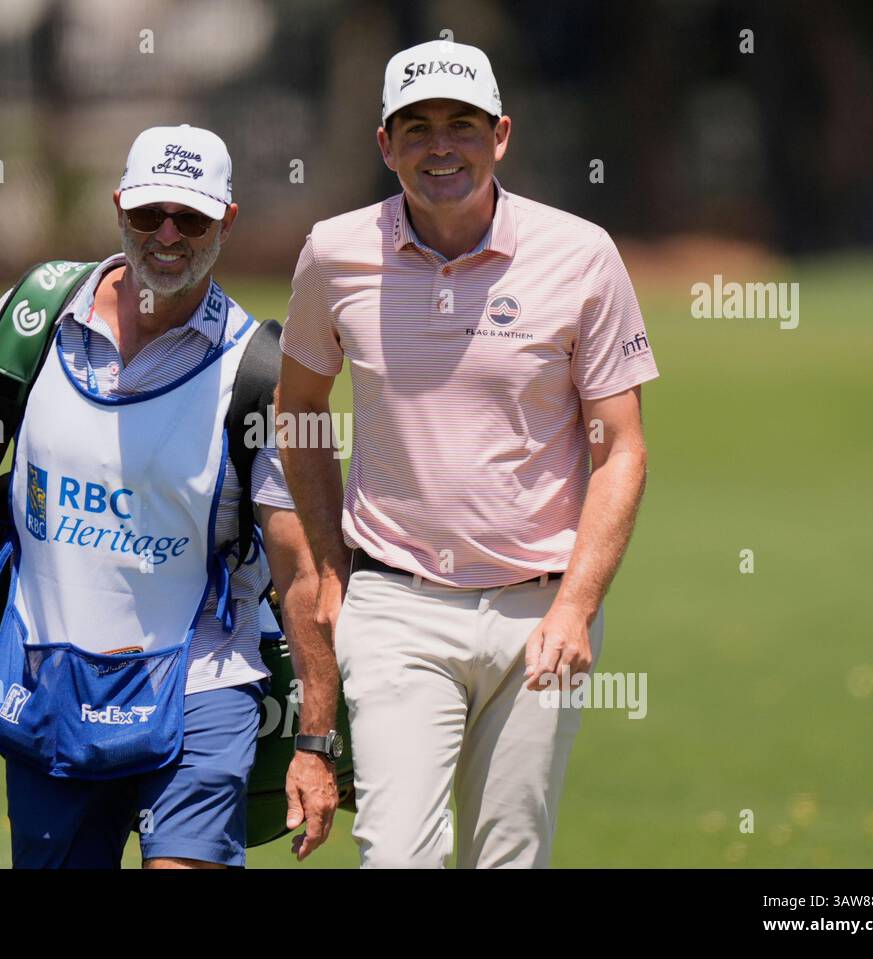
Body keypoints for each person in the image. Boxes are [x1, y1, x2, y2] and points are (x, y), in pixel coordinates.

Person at [0, 124, 340, 869]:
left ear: (226, 222)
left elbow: (302, 567)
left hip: (202, 683)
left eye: (191, 218)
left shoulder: (258, 371)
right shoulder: (35, 315)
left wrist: (316, 740)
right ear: (118, 209)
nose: (167, 235)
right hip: (48, 681)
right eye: (149, 214)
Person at [275, 41, 660, 868]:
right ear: (385, 143)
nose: (439, 146)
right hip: (396, 605)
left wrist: (578, 604)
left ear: (501, 135)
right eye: (415, 128)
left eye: (461, 125)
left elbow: (622, 446)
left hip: (539, 611)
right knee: (397, 855)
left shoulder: (581, 254)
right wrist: (335, 572)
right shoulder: (335, 254)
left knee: (509, 855)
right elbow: (299, 410)